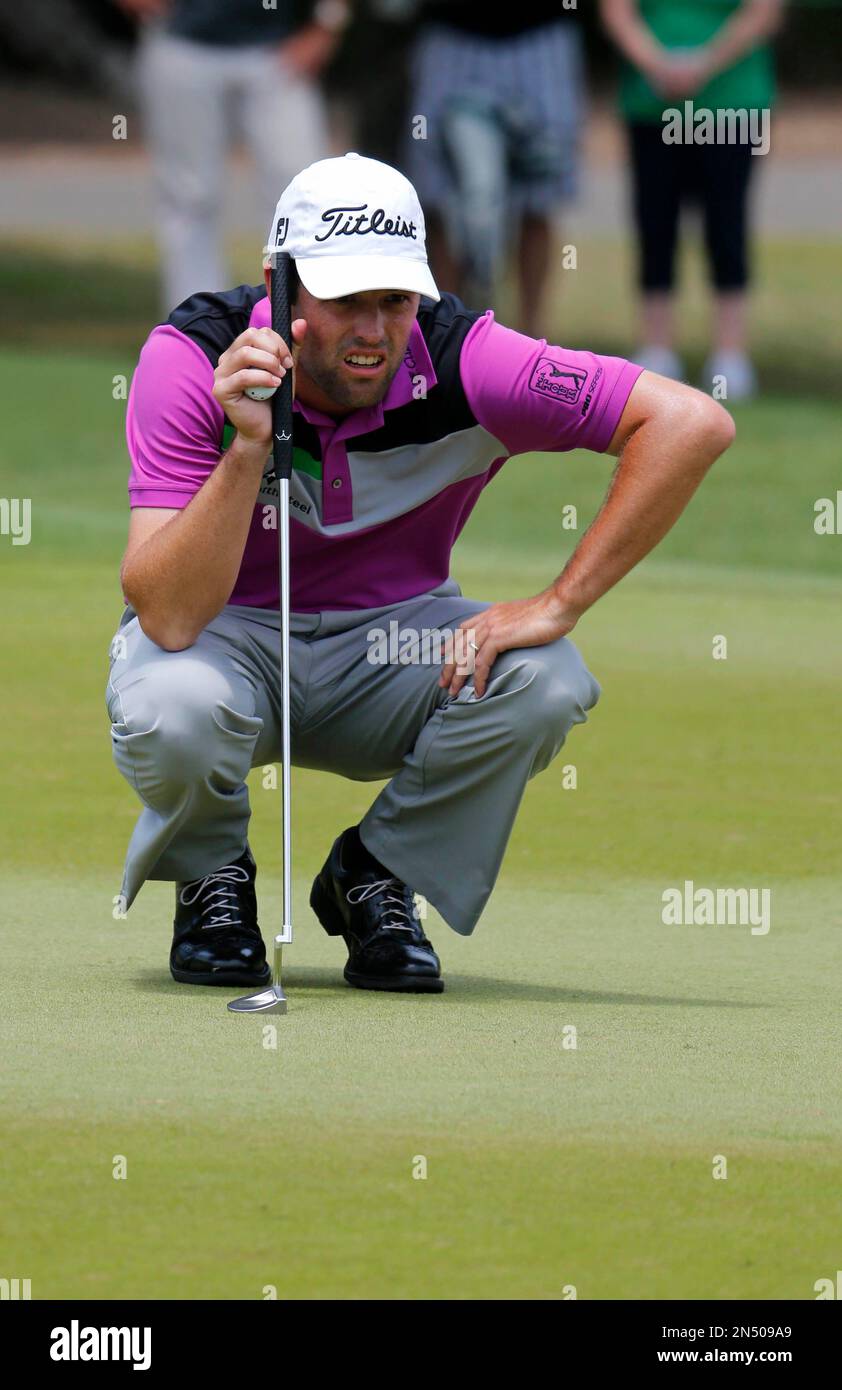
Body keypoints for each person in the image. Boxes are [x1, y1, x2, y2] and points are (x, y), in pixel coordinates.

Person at [106, 152, 735, 995]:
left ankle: (374, 874)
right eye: (344, 302)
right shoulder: (191, 357)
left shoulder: (469, 358)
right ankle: (213, 879)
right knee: (172, 703)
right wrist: (248, 446)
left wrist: (560, 603)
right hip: (226, 638)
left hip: (394, 643)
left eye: (394, 302)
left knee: (547, 678)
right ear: (280, 285)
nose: (373, 331)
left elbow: (691, 422)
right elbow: (170, 619)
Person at [601, 0, 785, 400]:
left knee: (727, 223)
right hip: (652, 105)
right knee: (654, 221)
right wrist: (658, 64)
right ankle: (656, 348)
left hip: (731, 103)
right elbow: (617, 12)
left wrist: (703, 63)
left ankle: (730, 354)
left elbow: (764, 12)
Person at [116, 0, 347, 308]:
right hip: (183, 44)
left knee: (304, 194)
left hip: (277, 50)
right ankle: (195, 330)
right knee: (190, 197)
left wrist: (327, 24)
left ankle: (302, 320)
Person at [403, 2, 585, 337]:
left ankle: (532, 339)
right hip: (451, 40)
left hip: (539, 39)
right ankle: (445, 331)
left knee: (538, 199)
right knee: (439, 198)